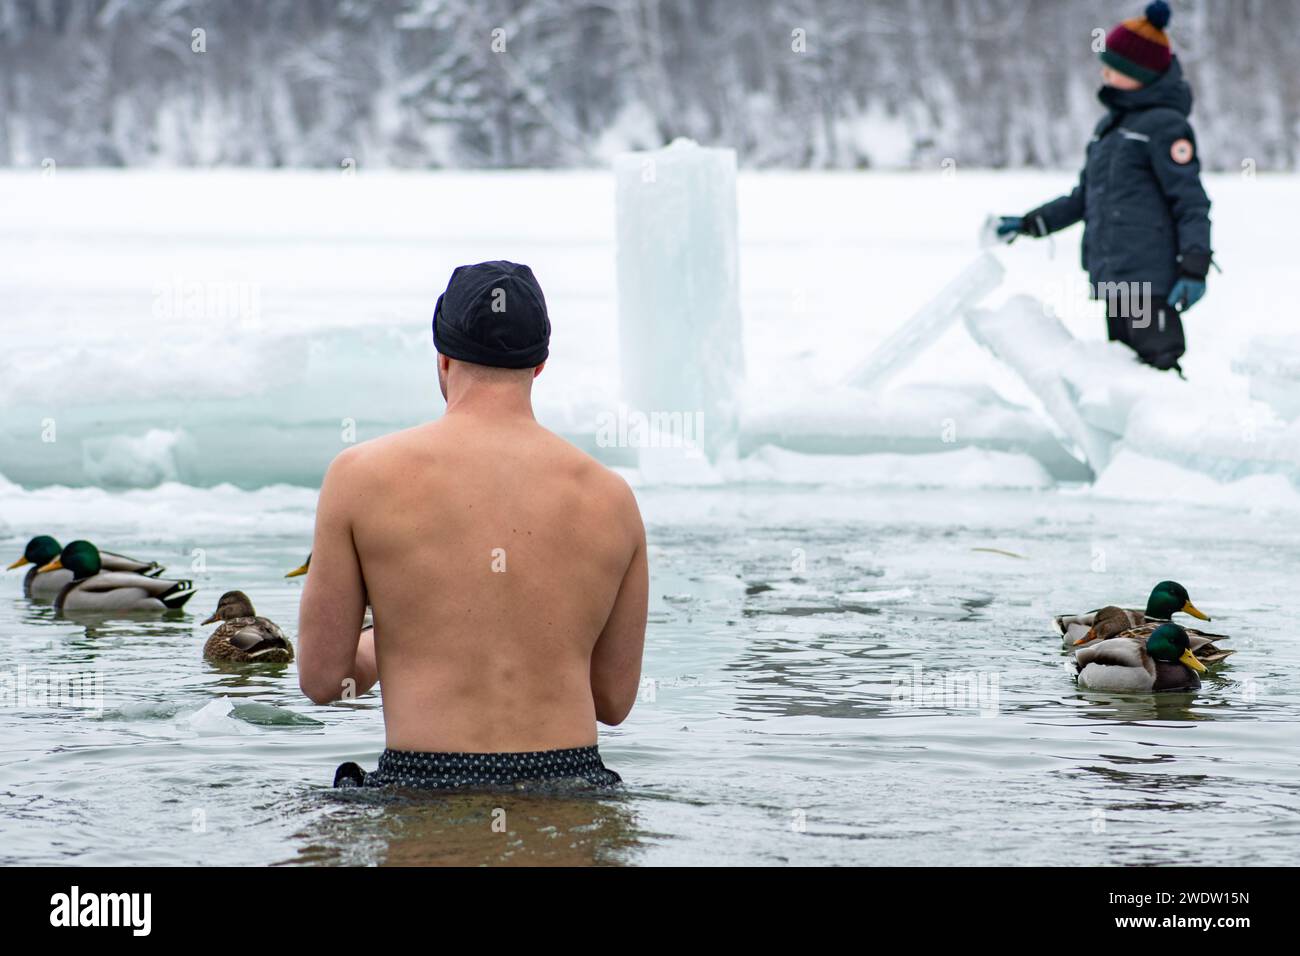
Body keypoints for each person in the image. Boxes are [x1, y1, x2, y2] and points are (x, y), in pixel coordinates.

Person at [298, 260, 648, 790]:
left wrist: (387, 638)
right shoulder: (611, 497)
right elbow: (613, 702)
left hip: (423, 787)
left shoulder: (359, 477)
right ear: (539, 366)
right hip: (572, 786)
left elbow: (324, 680)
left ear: (442, 359)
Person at [996, 1, 1211, 374]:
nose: (1105, 72)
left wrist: (1194, 266)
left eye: (1115, 67)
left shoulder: (1163, 127)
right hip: (1114, 274)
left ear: (1141, 73)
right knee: (1124, 365)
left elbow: (1190, 202)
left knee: (1156, 361)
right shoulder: (1110, 130)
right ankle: (1130, 429)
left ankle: (1172, 428)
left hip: (1146, 277)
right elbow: (1084, 198)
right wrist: (1033, 223)